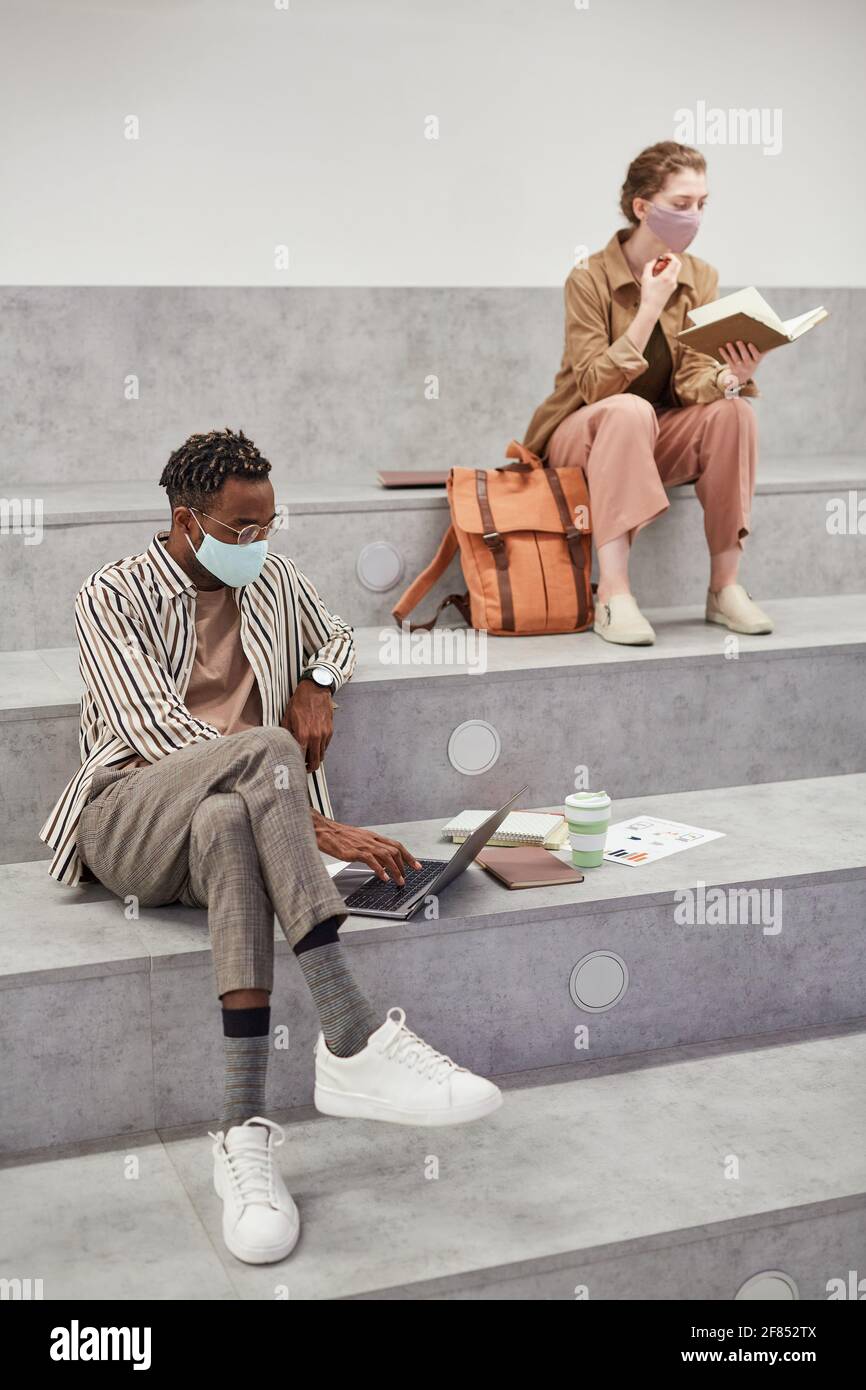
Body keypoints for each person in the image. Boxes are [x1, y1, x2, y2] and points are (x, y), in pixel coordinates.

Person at [39, 427, 501, 1266]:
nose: (257, 546)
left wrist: (318, 682)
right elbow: (155, 734)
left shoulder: (274, 580)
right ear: (186, 523)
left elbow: (338, 637)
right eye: (238, 531)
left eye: (268, 528)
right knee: (264, 752)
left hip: (224, 827)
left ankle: (239, 1132)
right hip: (129, 818)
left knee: (227, 821)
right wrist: (307, 816)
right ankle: (352, 1032)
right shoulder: (110, 594)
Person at [522, 141, 773, 646]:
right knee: (628, 408)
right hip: (583, 438)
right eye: (682, 204)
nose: (695, 216)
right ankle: (613, 595)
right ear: (642, 207)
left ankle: (724, 588)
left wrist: (728, 377)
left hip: (652, 433)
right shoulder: (589, 277)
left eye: (702, 204)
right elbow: (594, 383)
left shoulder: (699, 275)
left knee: (736, 413)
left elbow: (691, 375)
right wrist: (649, 308)